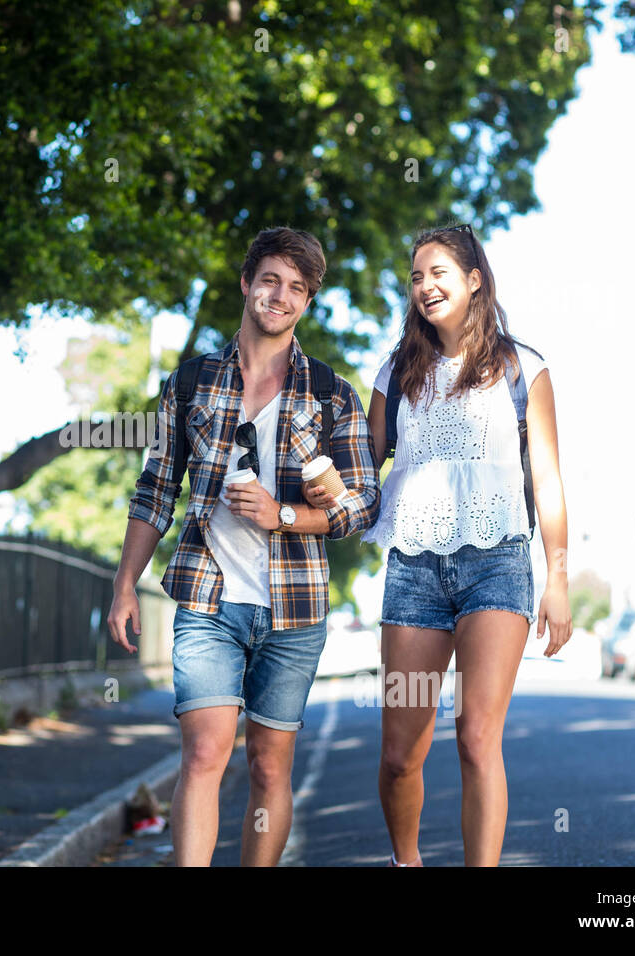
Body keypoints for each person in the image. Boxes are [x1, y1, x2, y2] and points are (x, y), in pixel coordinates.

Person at [108, 227, 380, 866]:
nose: (280, 296)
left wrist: (283, 513)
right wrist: (125, 584)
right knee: (205, 752)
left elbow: (362, 506)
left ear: (307, 301)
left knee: (267, 763)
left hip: (294, 609)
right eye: (270, 280)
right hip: (208, 596)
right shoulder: (192, 382)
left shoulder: (331, 393)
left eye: (296, 288)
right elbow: (155, 490)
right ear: (246, 283)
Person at [362, 223, 572, 867]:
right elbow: (359, 474)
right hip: (414, 572)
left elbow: (550, 482)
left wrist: (558, 580)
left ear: (474, 278)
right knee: (400, 756)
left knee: (477, 736)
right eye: (417, 277)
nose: (425, 286)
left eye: (439, 273)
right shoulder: (396, 373)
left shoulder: (521, 368)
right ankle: (408, 861)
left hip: (497, 567)